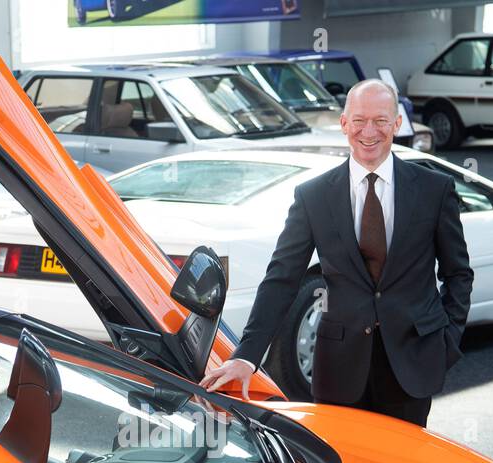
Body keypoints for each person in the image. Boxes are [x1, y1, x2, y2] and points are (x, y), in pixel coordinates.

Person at [201, 79, 471, 427]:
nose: (368, 131)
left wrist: (446, 343)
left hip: (412, 362)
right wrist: (247, 357)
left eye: (380, 121)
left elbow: (458, 274)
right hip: (339, 369)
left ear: (397, 124)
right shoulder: (313, 196)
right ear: (344, 124)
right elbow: (281, 280)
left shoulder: (435, 189)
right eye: (359, 120)